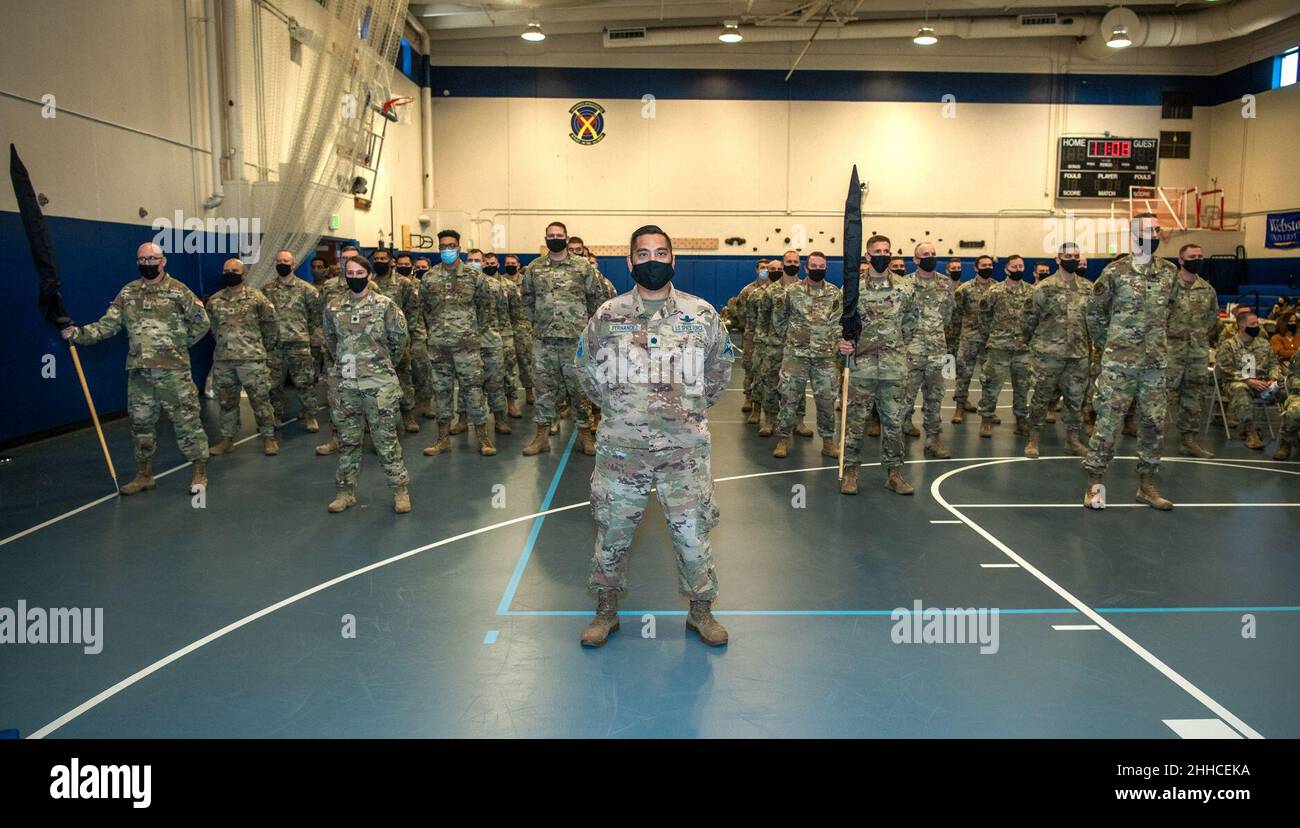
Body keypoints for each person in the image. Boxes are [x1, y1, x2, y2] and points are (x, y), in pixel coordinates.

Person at [577, 225, 733, 647]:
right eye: (643, 254)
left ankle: (701, 611)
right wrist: (621, 411)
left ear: (673, 260)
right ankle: (605, 611)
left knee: (692, 530)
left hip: (683, 450)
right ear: (629, 262)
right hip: (621, 450)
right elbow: (587, 372)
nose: (652, 261)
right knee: (612, 529)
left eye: (660, 252)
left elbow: (719, 373)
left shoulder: (701, 314)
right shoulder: (607, 315)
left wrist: (686, 413)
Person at [61, 242, 211, 494]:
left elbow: (201, 322)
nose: (147, 264)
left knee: (186, 422)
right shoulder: (128, 293)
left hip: (173, 373)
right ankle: (144, 474)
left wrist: (177, 345)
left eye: (152, 259)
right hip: (140, 372)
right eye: (142, 260)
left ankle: (199, 472)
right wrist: (77, 333)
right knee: (141, 425)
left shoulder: (179, 291)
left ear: (163, 261)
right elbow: (107, 325)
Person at [1081, 214, 1179, 510]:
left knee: (1153, 423)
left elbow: (1169, 309)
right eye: (1149, 230)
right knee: (1108, 424)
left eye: (1157, 230)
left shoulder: (1168, 272)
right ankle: (1095, 485)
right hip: (1119, 366)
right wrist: (1110, 345)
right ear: (1134, 234)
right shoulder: (1114, 272)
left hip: (1154, 365)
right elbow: (1094, 314)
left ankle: (1147, 485)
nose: (1155, 235)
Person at [321, 255, 411, 513]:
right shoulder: (334, 307)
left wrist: (378, 364)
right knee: (349, 441)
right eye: (351, 273)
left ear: (369, 275)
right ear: (344, 275)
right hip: (346, 385)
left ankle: (400, 490)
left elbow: (399, 340)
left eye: (361, 273)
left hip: (379, 384)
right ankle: (345, 492)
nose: (355, 278)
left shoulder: (385, 305)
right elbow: (330, 340)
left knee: (386, 440)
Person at [838, 234, 918, 496]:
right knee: (855, 422)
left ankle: (894, 473)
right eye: (878, 251)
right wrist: (842, 343)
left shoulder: (905, 288)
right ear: (868, 256)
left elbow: (910, 323)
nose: (883, 255)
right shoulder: (853, 289)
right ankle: (850, 472)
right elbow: (836, 322)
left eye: (887, 250)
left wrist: (892, 345)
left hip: (894, 367)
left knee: (894, 423)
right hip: (861, 366)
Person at [521, 222, 605, 455]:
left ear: (567, 239)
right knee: (544, 390)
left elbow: (595, 299)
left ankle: (586, 436)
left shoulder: (582, 267)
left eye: (559, 235)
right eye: (551, 235)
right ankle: (541, 437)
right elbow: (526, 299)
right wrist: (535, 324)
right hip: (544, 341)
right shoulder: (534, 268)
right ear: (545, 238)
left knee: (579, 390)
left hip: (574, 341)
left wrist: (586, 329)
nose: (555, 238)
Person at [419, 230, 497, 457]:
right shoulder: (429, 277)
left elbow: (485, 308)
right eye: (443, 246)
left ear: (459, 248)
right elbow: (424, 309)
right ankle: (442, 439)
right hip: (438, 346)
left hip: (467, 346)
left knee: (473, 391)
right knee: (441, 391)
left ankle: (483, 437)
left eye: (451, 245)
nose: (447, 250)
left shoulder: (475, 277)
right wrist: (435, 331)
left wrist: (471, 332)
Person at [205, 257, 280, 456]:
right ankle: (227, 439)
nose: (230, 273)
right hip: (224, 360)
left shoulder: (257, 298)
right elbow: (212, 328)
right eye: (226, 270)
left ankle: (269, 437)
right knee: (226, 402)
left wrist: (262, 348)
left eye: (234, 270)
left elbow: (271, 325)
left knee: (260, 400)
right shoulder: (215, 300)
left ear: (243, 274)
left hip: (252, 359)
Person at [772, 251, 841, 459]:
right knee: (789, 396)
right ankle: (783, 439)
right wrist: (793, 338)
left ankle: (828, 442)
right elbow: (779, 319)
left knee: (827, 400)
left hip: (825, 356)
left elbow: (838, 322)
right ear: (806, 267)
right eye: (814, 266)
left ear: (826, 268)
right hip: (796, 355)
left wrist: (834, 343)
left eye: (821, 266)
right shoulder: (792, 292)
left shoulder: (835, 293)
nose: (817, 269)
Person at [1023, 243, 1091, 458]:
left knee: (1075, 399)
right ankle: (1033, 439)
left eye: (1076, 255)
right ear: (1058, 259)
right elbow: (1029, 319)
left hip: (1077, 354)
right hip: (1048, 353)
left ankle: (1072, 439)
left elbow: (1095, 321)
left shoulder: (1088, 288)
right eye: (1068, 255)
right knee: (1041, 398)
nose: (1073, 259)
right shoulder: (1044, 287)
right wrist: (1033, 346)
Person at [1164, 244, 1219, 459]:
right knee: (1162, 395)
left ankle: (1189, 441)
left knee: (1194, 397)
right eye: (1192, 256)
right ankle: (1152, 441)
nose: (1197, 259)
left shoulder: (1207, 289)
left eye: (1200, 256)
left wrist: (1198, 337)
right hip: (1170, 351)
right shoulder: (1168, 286)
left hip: (1197, 352)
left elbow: (1212, 320)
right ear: (1181, 259)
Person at [901, 242, 954, 457]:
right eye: (925, 254)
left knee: (935, 397)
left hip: (937, 351)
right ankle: (900, 435)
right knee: (904, 397)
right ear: (915, 259)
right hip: (910, 351)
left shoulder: (946, 283)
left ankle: (933, 439)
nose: (930, 257)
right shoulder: (904, 285)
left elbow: (948, 316)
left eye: (933, 254)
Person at [263, 249, 322, 434]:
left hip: (299, 343)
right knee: (273, 385)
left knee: (305, 382)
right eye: (279, 260)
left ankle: (311, 415)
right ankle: (276, 415)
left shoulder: (307, 290)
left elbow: (315, 317)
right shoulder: (266, 290)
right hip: (275, 345)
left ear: (294, 264)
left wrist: (313, 341)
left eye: (286, 260)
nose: (282, 263)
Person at [976, 255, 1032, 439]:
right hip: (999, 347)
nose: (1018, 269)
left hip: (1023, 348)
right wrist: (992, 336)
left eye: (1021, 266)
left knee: (1022, 386)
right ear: (1006, 270)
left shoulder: (1032, 292)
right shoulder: (994, 292)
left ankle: (1021, 420)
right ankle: (986, 419)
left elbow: (1035, 317)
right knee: (991, 385)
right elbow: (983, 318)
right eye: (1014, 266)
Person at [1217, 311, 1282, 450]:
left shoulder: (1263, 343)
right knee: (1241, 389)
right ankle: (1250, 431)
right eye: (1252, 324)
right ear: (1241, 325)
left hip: (1262, 382)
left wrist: (1273, 378)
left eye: (1257, 323)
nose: (1257, 326)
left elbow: (1274, 364)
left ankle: (1289, 436)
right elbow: (1224, 369)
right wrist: (1246, 379)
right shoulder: (1229, 345)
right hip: (1235, 382)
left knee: (1287, 389)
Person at [950, 254, 996, 421]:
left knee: (989, 377)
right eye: (983, 265)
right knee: (963, 375)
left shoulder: (997, 289)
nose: (987, 267)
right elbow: (956, 315)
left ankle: (988, 411)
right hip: (968, 338)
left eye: (989, 265)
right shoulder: (964, 290)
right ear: (976, 268)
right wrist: (956, 339)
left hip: (989, 341)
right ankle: (959, 408)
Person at [503, 254, 536, 406]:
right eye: (507, 263)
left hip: (523, 326)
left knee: (526, 362)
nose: (510, 265)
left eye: (513, 263)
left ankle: (529, 391)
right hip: (504, 327)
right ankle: (511, 400)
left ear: (518, 265)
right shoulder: (500, 282)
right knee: (507, 365)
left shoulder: (526, 281)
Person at [737, 260, 769, 415]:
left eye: (767, 268)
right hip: (751, 335)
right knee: (750, 368)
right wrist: (749, 328)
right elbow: (740, 312)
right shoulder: (747, 291)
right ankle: (748, 398)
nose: (765, 271)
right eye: (763, 268)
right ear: (757, 270)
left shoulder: (775, 289)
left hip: (769, 338)